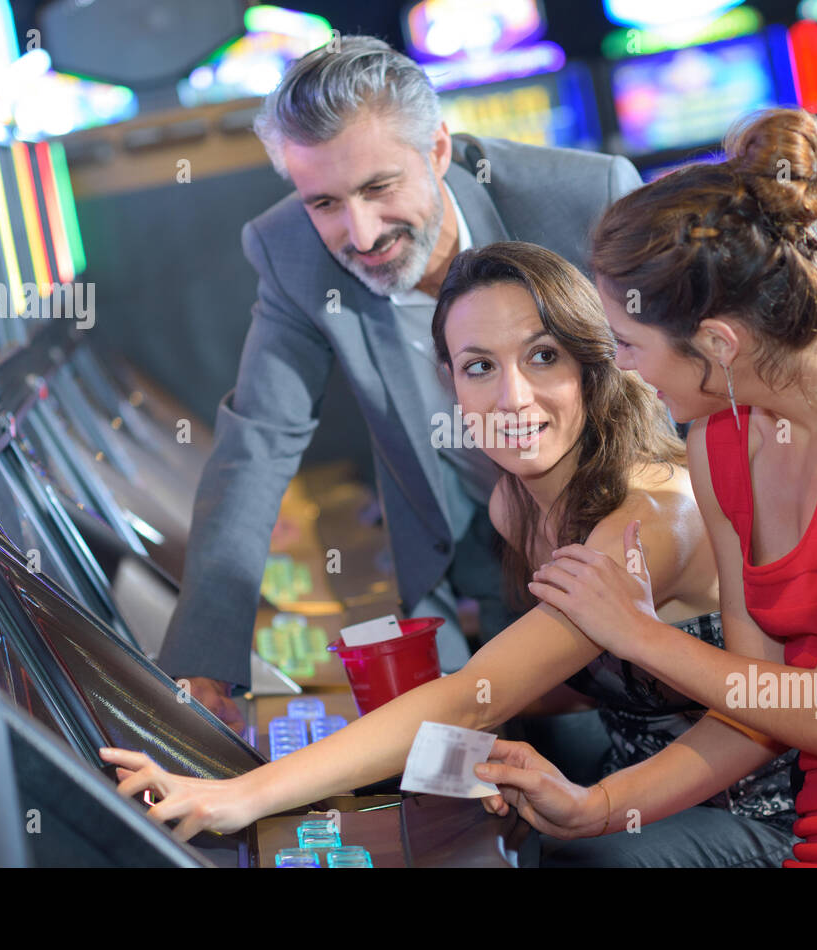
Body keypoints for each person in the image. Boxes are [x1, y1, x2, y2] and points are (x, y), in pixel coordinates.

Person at [104, 242, 797, 867]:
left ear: (595, 362)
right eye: (479, 368)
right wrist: (446, 731)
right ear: (450, 384)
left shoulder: (650, 516)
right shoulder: (513, 505)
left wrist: (235, 797)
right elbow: (566, 681)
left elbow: (472, 696)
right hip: (639, 782)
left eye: (543, 356)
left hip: (758, 816)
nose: (512, 396)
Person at [474, 108, 817, 868]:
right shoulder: (721, 438)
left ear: (719, 345)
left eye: (630, 344)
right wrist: (596, 806)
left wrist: (639, 634)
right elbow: (756, 708)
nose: (622, 369)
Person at [158, 36, 644, 732]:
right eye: (323, 201)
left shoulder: (578, 199)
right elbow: (256, 445)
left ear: (439, 150)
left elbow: (677, 395)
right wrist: (203, 662)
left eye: (379, 187)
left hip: (632, 542)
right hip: (482, 564)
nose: (359, 233)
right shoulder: (292, 251)